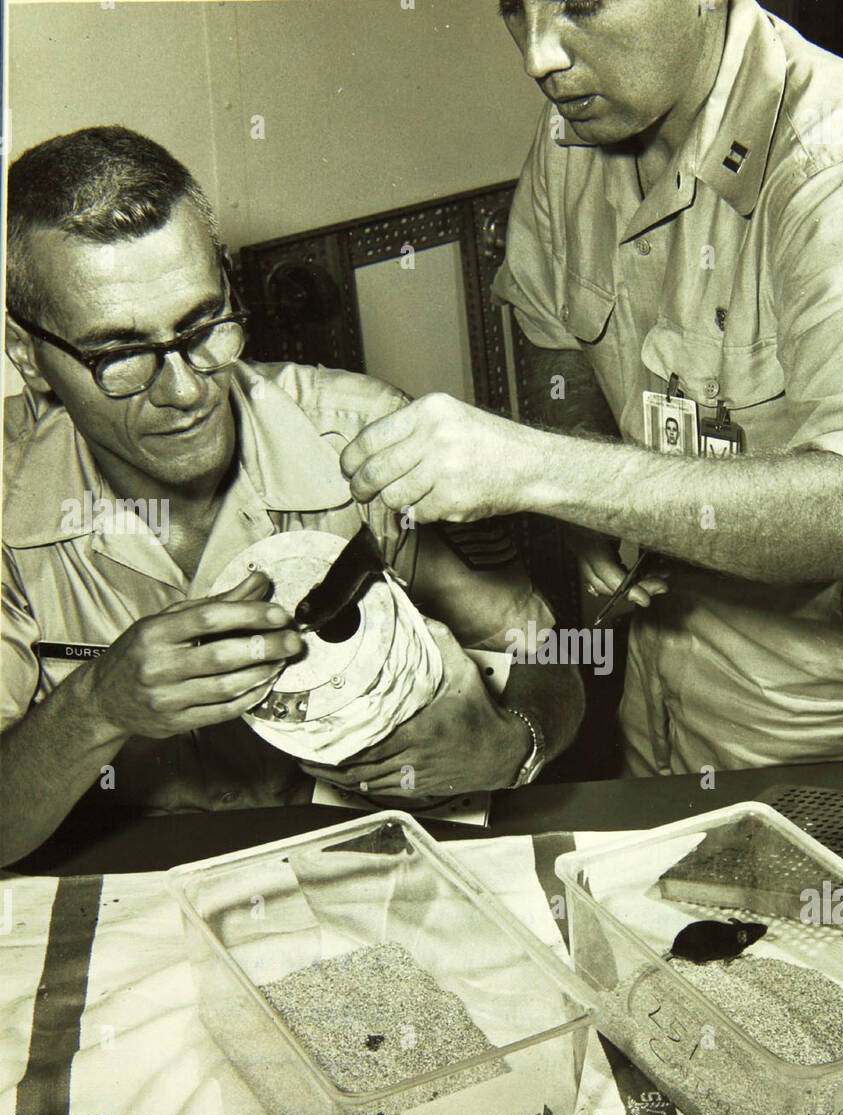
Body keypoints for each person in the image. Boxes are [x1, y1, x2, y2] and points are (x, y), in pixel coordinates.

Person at [341, 0, 843, 778]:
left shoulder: (841, 169)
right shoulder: (577, 129)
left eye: (581, 5)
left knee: (810, 903)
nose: (537, 55)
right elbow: (558, 340)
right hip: (661, 648)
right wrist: (589, 513)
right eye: (514, 7)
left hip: (828, 690)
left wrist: (546, 472)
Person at [1, 126, 582, 866]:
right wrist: (94, 707)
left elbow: (542, 648)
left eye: (202, 324)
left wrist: (510, 748)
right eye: (119, 354)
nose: (183, 390)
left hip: (357, 872)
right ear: (30, 358)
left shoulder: (366, 438)